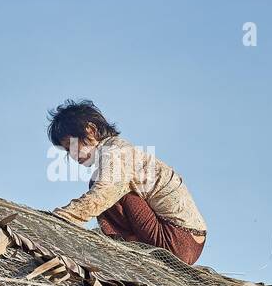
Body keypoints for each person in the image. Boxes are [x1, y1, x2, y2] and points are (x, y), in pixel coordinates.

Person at [47, 100, 207, 265]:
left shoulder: (116, 152)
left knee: (104, 188)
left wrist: (59, 219)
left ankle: (127, 248)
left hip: (177, 240)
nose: (71, 155)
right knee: (106, 186)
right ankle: (129, 245)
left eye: (70, 146)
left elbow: (102, 195)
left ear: (91, 130)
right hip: (189, 242)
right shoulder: (116, 152)